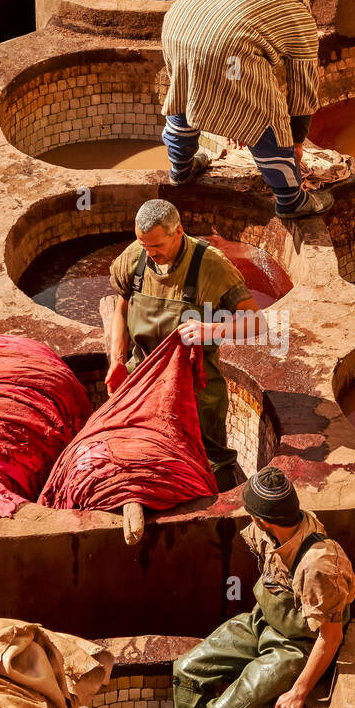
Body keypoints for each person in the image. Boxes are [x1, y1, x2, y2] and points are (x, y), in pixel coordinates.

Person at [173, 466, 355, 708]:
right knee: (186, 671)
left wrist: (298, 692)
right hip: (262, 622)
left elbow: (331, 636)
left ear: (263, 520)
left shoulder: (318, 565)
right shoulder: (277, 529)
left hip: (295, 647)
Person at [107, 198, 262, 492]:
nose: (151, 254)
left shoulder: (212, 265)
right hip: (143, 379)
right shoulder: (135, 257)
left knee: (210, 462)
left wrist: (212, 328)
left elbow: (257, 323)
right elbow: (121, 308)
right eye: (144, 246)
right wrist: (116, 360)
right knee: (140, 455)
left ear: (179, 232)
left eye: (157, 246)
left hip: (196, 389)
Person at [159, 0, 334, 219]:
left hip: (178, 23)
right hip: (225, 45)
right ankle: (291, 200)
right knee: (266, 116)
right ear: (307, 0)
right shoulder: (300, 14)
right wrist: (296, 141)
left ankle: (180, 170)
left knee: (184, 96)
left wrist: (236, 112)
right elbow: (303, 89)